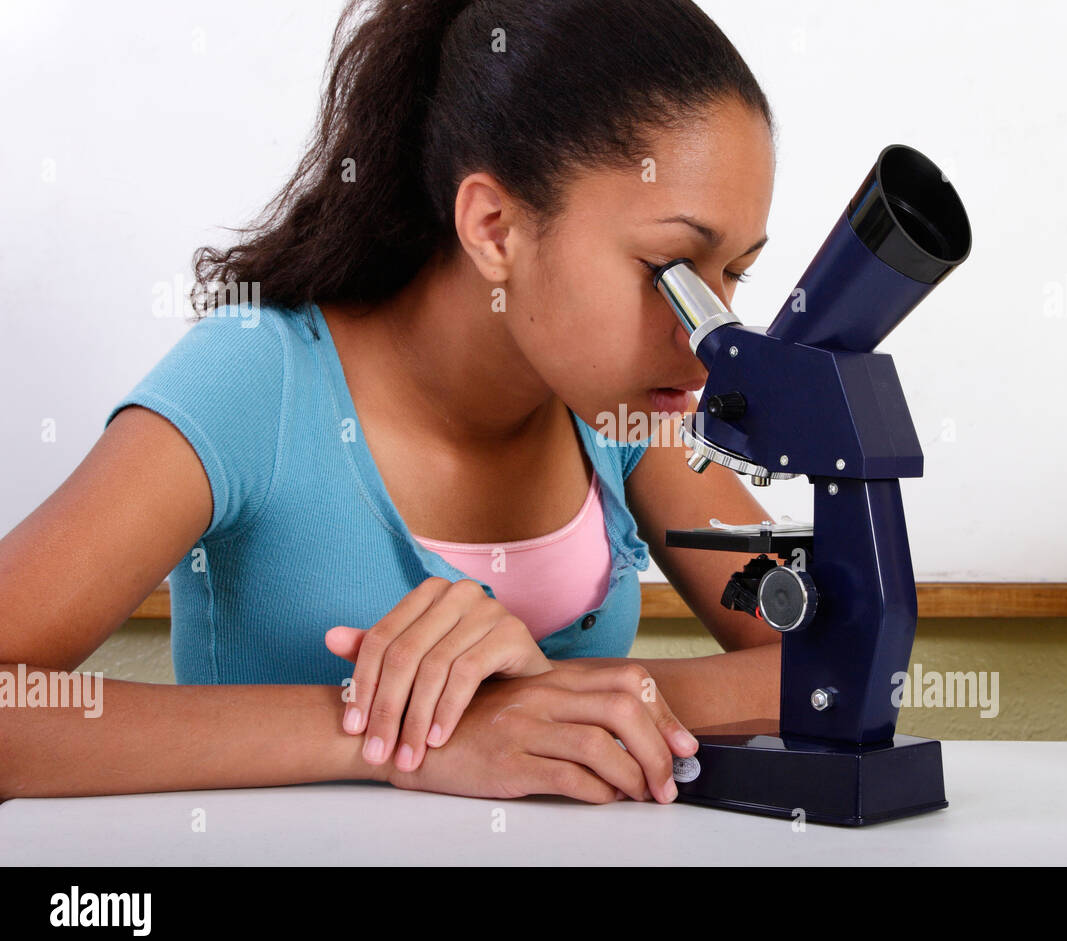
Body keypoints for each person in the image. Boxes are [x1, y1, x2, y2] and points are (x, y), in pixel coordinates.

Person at [0, 0, 782, 806]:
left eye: (734, 277)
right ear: (493, 225)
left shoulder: (619, 409)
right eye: (670, 272)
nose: (707, 343)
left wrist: (558, 697)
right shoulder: (255, 380)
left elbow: (842, 659)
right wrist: (399, 734)